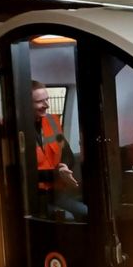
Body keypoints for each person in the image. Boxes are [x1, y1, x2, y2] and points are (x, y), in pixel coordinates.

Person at [33, 80, 87, 220]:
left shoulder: (52, 121)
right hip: (34, 197)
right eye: (40, 101)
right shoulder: (16, 130)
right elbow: (23, 172)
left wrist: (64, 166)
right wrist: (56, 173)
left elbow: (67, 154)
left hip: (56, 192)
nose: (47, 105)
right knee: (67, 218)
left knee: (88, 212)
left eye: (47, 99)